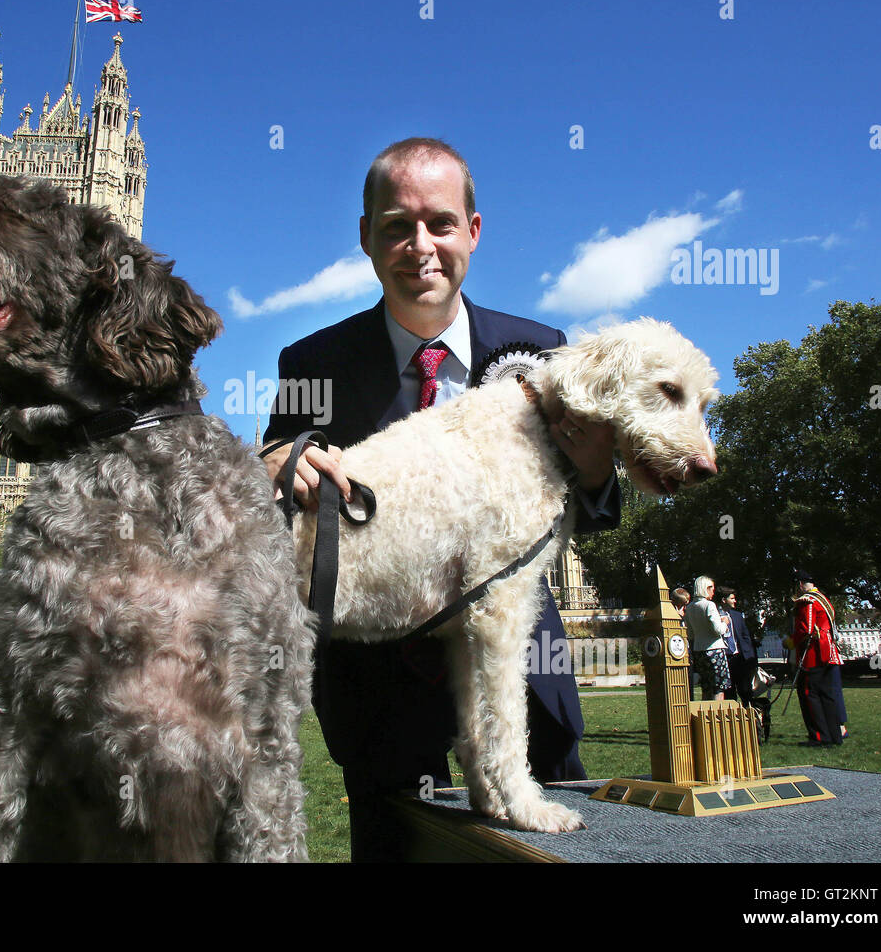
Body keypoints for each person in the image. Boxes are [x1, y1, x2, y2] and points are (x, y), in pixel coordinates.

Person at [260, 138, 622, 861]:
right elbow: (278, 468)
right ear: (366, 237)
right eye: (397, 225)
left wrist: (592, 469)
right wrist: (278, 460)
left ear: (473, 231)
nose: (419, 246)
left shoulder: (543, 350)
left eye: (440, 223)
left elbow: (602, 509)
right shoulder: (312, 363)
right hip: (378, 699)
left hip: (524, 690)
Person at [791, 568, 845, 746]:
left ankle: (820, 736)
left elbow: (805, 629)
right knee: (827, 696)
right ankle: (835, 735)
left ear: (800, 584)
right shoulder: (823, 598)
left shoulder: (808, 601)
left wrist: (791, 642)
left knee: (810, 694)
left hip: (814, 653)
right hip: (828, 652)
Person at [684, 576, 731, 700]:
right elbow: (718, 630)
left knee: (706, 687)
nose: (713, 592)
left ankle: (704, 716)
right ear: (706, 589)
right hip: (714, 650)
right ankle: (717, 716)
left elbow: (690, 633)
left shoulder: (689, 607)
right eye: (712, 589)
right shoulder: (709, 605)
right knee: (718, 687)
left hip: (699, 651)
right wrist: (725, 623)